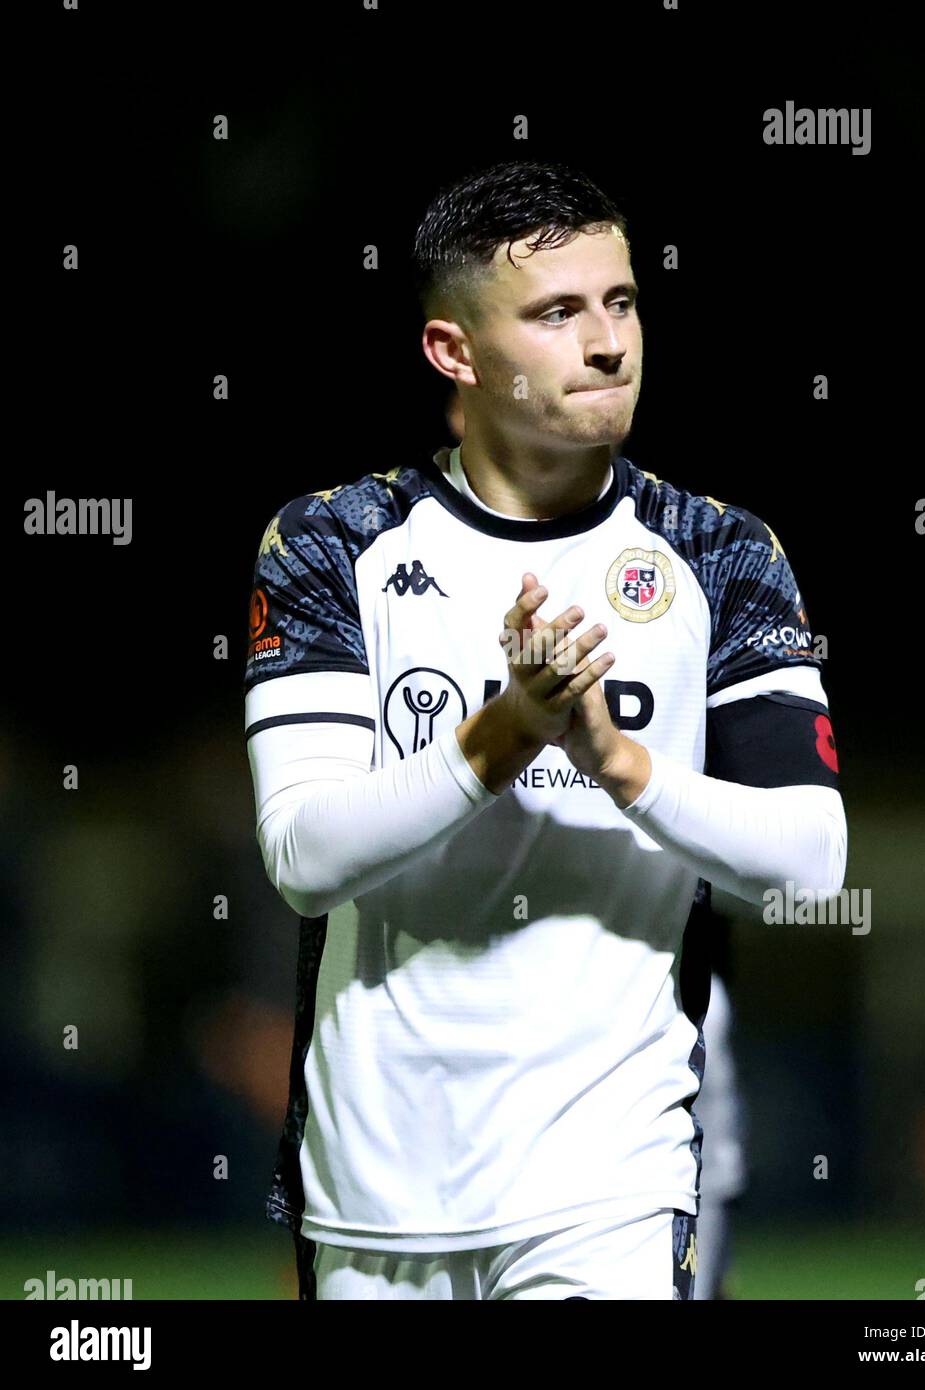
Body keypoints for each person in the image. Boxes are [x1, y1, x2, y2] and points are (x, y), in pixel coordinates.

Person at [243, 159, 846, 1300]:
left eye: (620, 302)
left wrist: (610, 759)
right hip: (375, 1181)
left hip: (607, 1178)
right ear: (453, 353)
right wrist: (506, 732)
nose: (608, 342)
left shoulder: (719, 554)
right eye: (557, 312)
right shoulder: (330, 544)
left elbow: (808, 861)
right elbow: (304, 859)